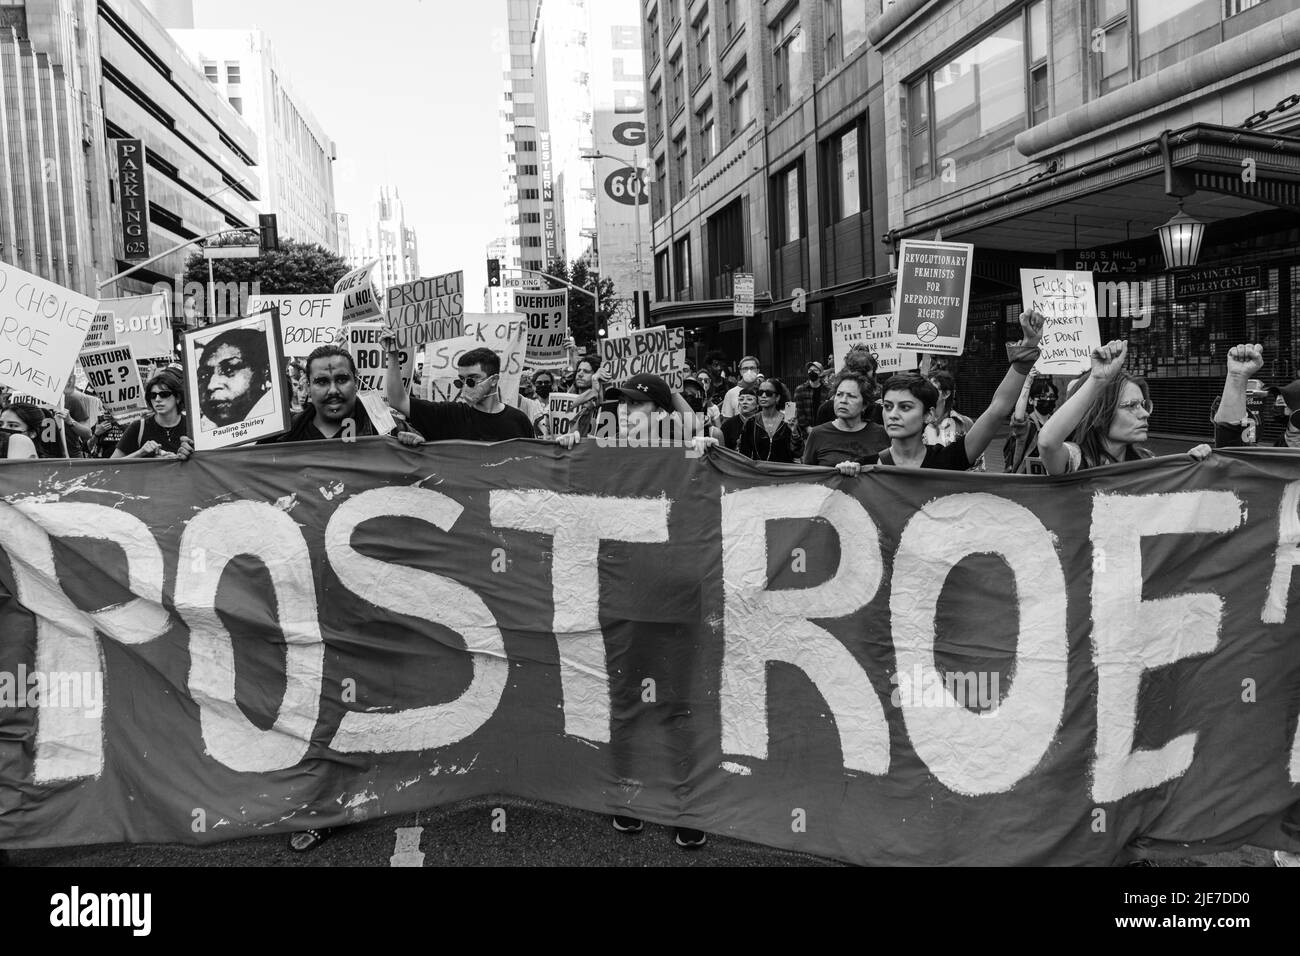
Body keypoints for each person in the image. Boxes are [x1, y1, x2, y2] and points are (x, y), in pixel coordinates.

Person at [835, 309, 1046, 473]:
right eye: (888, 406)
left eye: (905, 407)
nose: (893, 414)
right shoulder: (865, 468)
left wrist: (1025, 352)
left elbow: (997, 410)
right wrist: (844, 474)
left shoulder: (947, 460)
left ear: (929, 414)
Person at [1037, 340, 1211, 474]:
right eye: (1132, 405)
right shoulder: (1075, 459)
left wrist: (1188, 464)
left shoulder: (1146, 459)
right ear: (1100, 413)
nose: (1144, 414)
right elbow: (1047, 443)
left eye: (1143, 405)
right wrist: (1097, 380)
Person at [382, 337, 534, 441]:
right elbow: (398, 400)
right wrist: (393, 354)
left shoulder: (519, 421)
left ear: (493, 380)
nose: (466, 386)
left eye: (472, 379)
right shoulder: (449, 415)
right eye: (461, 381)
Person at [802, 371, 889, 466]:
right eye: (839, 395)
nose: (843, 401)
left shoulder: (880, 433)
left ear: (864, 405)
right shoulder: (817, 434)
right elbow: (807, 475)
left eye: (851, 396)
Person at [196, 327, 275, 430]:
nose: (211, 385)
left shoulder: (288, 433)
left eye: (228, 369)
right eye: (204, 376)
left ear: (266, 374)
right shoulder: (203, 437)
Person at [113, 368, 194, 459]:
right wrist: (140, 453)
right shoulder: (138, 427)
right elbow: (111, 466)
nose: (157, 399)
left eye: (164, 394)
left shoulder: (193, 427)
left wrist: (185, 459)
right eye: (152, 395)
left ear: (178, 398)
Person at [1003, 370, 1058, 474]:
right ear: (1031, 400)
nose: (1047, 399)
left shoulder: (1057, 424)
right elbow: (1018, 418)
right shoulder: (1028, 424)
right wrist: (1027, 383)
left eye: (1051, 396)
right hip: (1026, 481)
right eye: (1042, 396)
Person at [815, 346, 883, 426]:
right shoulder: (827, 409)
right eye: (840, 395)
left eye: (865, 374)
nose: (860, 379)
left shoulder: (878, 410)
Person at [738, 378, 802, 463]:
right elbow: (744, 454)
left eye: (768, 393)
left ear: (777, 397)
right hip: (760, 473)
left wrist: (794, 432)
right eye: (760, 393)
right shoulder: (751, 422)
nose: (763, 396)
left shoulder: (788, 421)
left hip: (783, 473)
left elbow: (798, 453)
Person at [720, 384, 760, 450]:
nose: (744, 402)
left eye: (749, 399)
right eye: (741, 399)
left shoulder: (763, 422)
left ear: (757, 404)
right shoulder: (728, 425)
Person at [793, 362, 829, 432]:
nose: (812, 372)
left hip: (824, 430)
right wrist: (807, 427)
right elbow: (799, 411)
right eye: (810, 370)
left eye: (815, 370)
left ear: (821, 373)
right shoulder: (800, 390)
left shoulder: (827, 390)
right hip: (806, 432)